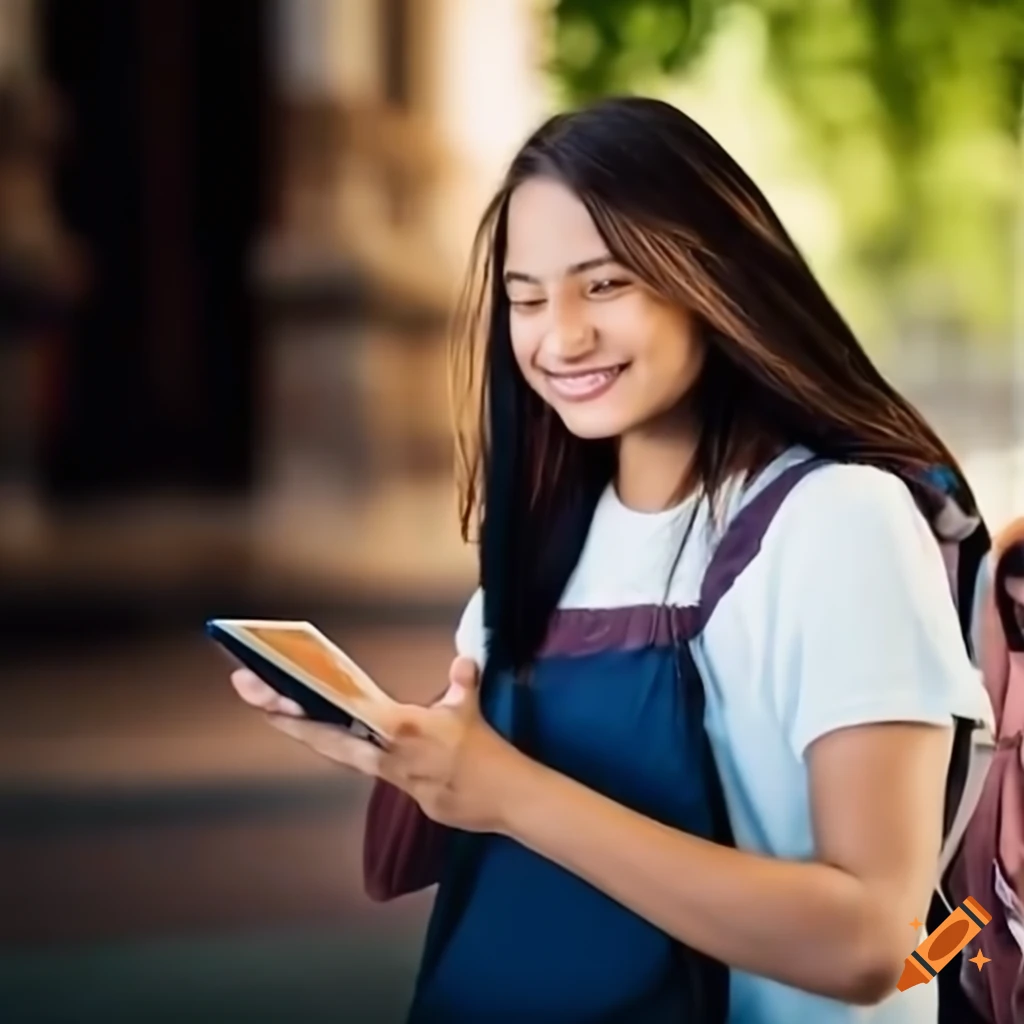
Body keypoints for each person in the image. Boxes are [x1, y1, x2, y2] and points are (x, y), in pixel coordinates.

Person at [230, 96, 995, 1023]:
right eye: (525, 298)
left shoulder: (840, 523)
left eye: (604, 285)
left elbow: (871, 940)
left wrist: (509, 794)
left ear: (710, 278)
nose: (560, 337)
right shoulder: (541, 548)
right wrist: (411, 756)